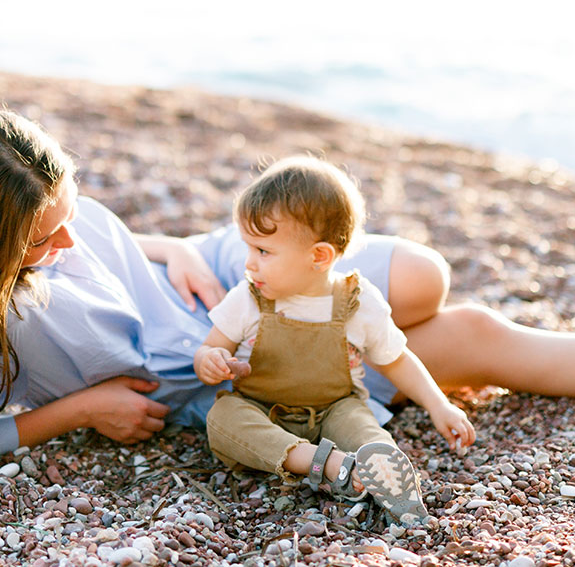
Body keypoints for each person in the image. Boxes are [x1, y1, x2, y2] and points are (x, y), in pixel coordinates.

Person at [0, 107, 575, 473]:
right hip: (220, 358)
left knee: (424, 277)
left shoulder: (32, 211)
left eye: (69, 209)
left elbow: (92, 238)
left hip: (214, 271)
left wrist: (163, 243)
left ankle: (395, 360)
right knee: (466, 332)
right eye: (42, 238)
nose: (66, 236)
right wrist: (86, 410)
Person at [194, 157, 476, 522]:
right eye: (248, 248)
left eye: (263, 251)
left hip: (335, 408)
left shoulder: (358, 301)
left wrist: (439, 405)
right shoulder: (248, 298)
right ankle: (327, 464)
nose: (250, 263)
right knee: (223, 417)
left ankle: (387, 476)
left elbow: (396, 358)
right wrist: (211, 362)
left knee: (364, 428)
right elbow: (209, 348)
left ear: (320, 256)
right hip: (262, 409)